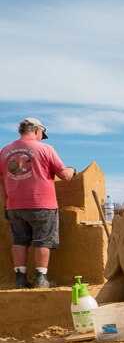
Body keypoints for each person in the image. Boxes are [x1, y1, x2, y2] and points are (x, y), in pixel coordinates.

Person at [0, 118, 76, 288]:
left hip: (14, 206)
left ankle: (20, 278)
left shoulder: (5, 151)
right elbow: (65, 176)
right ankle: (41, 278)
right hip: (42, 203)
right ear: (36, 130)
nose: (41, 137)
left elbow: (1, 181)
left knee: (19, 240)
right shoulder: (45, 149)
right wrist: (72, 169)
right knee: (43, 241)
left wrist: (6, 204)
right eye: (42, 134)